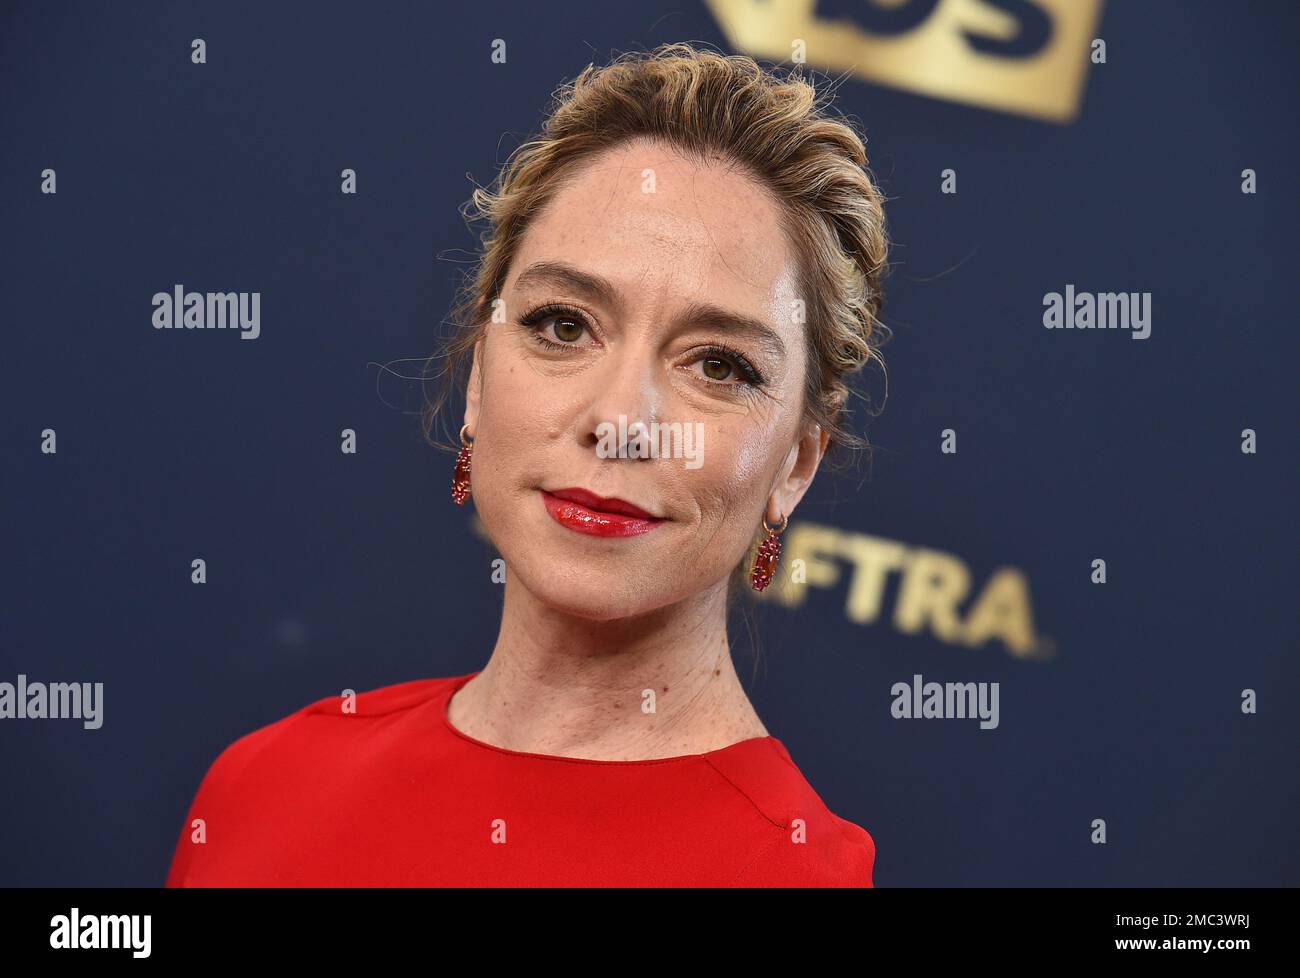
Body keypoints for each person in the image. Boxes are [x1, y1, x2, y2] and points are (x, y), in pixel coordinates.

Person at [166, 40, 890, 888]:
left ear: (796, 465)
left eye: (719, 365)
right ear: (478, 380)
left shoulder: (800, 875)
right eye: (563, 324)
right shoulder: (262, 786)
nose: (619, 421)